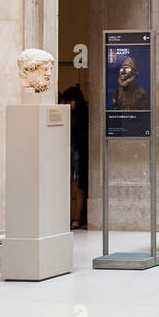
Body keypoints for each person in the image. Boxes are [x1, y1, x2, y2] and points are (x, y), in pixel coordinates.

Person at [61, 84, 89, 229]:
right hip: (68, 155)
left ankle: (77, 217)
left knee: (78, 186)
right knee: (69, 187)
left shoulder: (83, 117)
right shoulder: (66, 117)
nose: (67, 104)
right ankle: (70, 216)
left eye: (70, 100)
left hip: (78, 156)